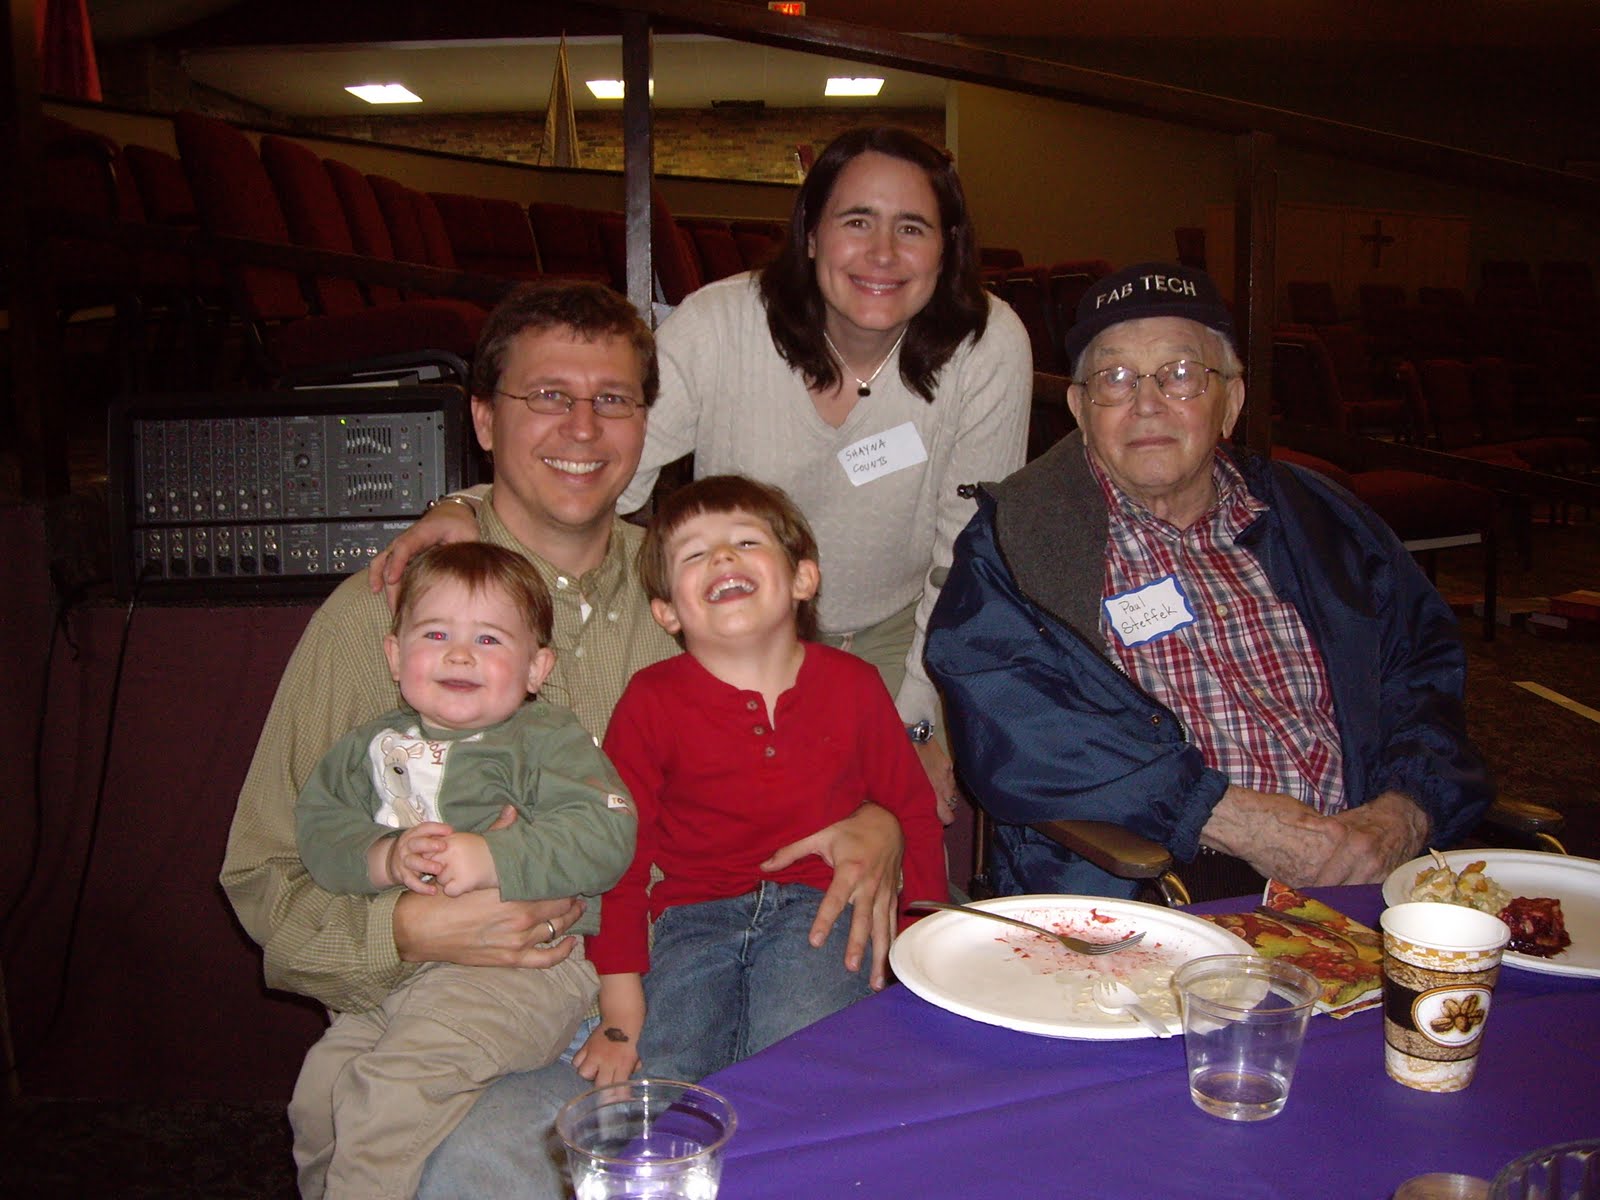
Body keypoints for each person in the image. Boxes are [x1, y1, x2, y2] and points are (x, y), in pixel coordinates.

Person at [220, 280, 907, 1200]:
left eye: (612, 399)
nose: (583, 427)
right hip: (457, 1013)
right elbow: (264, 876)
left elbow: (819, 727)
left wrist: (876, 817)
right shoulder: (388, 614)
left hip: (682, 980)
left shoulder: (692, 588)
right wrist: (410, 926)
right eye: (547, 396)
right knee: (454, 1161)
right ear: (484, 420)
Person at [374, 127, 1033, 822]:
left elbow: (967, 555)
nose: (882, 253)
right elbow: (598, 467)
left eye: (913, 228)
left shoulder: (987, 345)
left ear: (947, 248)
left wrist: (918, 720)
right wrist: (470, 505)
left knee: (885, 832)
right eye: (857, 220)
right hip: (736, 621)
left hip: (905, 628)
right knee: (741, 823)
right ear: (810, 233)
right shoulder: (721, 325)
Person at [924, 261, 1493, 901]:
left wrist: (1404, 811)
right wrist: (1219, 814)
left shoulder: (1324, 522)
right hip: (1170, 887)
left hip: (1368, 872)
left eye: (1182, 375)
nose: (1147, 403)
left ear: (1232, 402)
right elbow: (1020, 730)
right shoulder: (1018, 541)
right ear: (1081, 408)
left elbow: (1423, 675)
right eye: (1115, 378)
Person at [571, 476, 947, 1085]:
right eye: (694, 553)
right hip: (692, 921)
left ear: (802, 578)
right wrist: (620, 1008)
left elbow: (913, 815)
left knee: (799, 1065)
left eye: (746, 541)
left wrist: (922, 946)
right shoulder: (649, 701)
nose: (722, 556)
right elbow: (620, 857)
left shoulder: (854, 685)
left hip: (822, 909)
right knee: (674, 1078)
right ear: (667, 611)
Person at [291, 542, 636, 1199]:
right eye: (435, 633)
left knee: (386, 1098)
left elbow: (606, 833)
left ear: (536, 667)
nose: (458, 654)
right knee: (322, 1095)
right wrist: (382, 856)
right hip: (396, 977)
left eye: (487, 638)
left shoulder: (545, 740)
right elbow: (318, 832)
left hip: (524, 974)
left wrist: (492, 857)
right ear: (396, 656)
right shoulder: (369, 746)